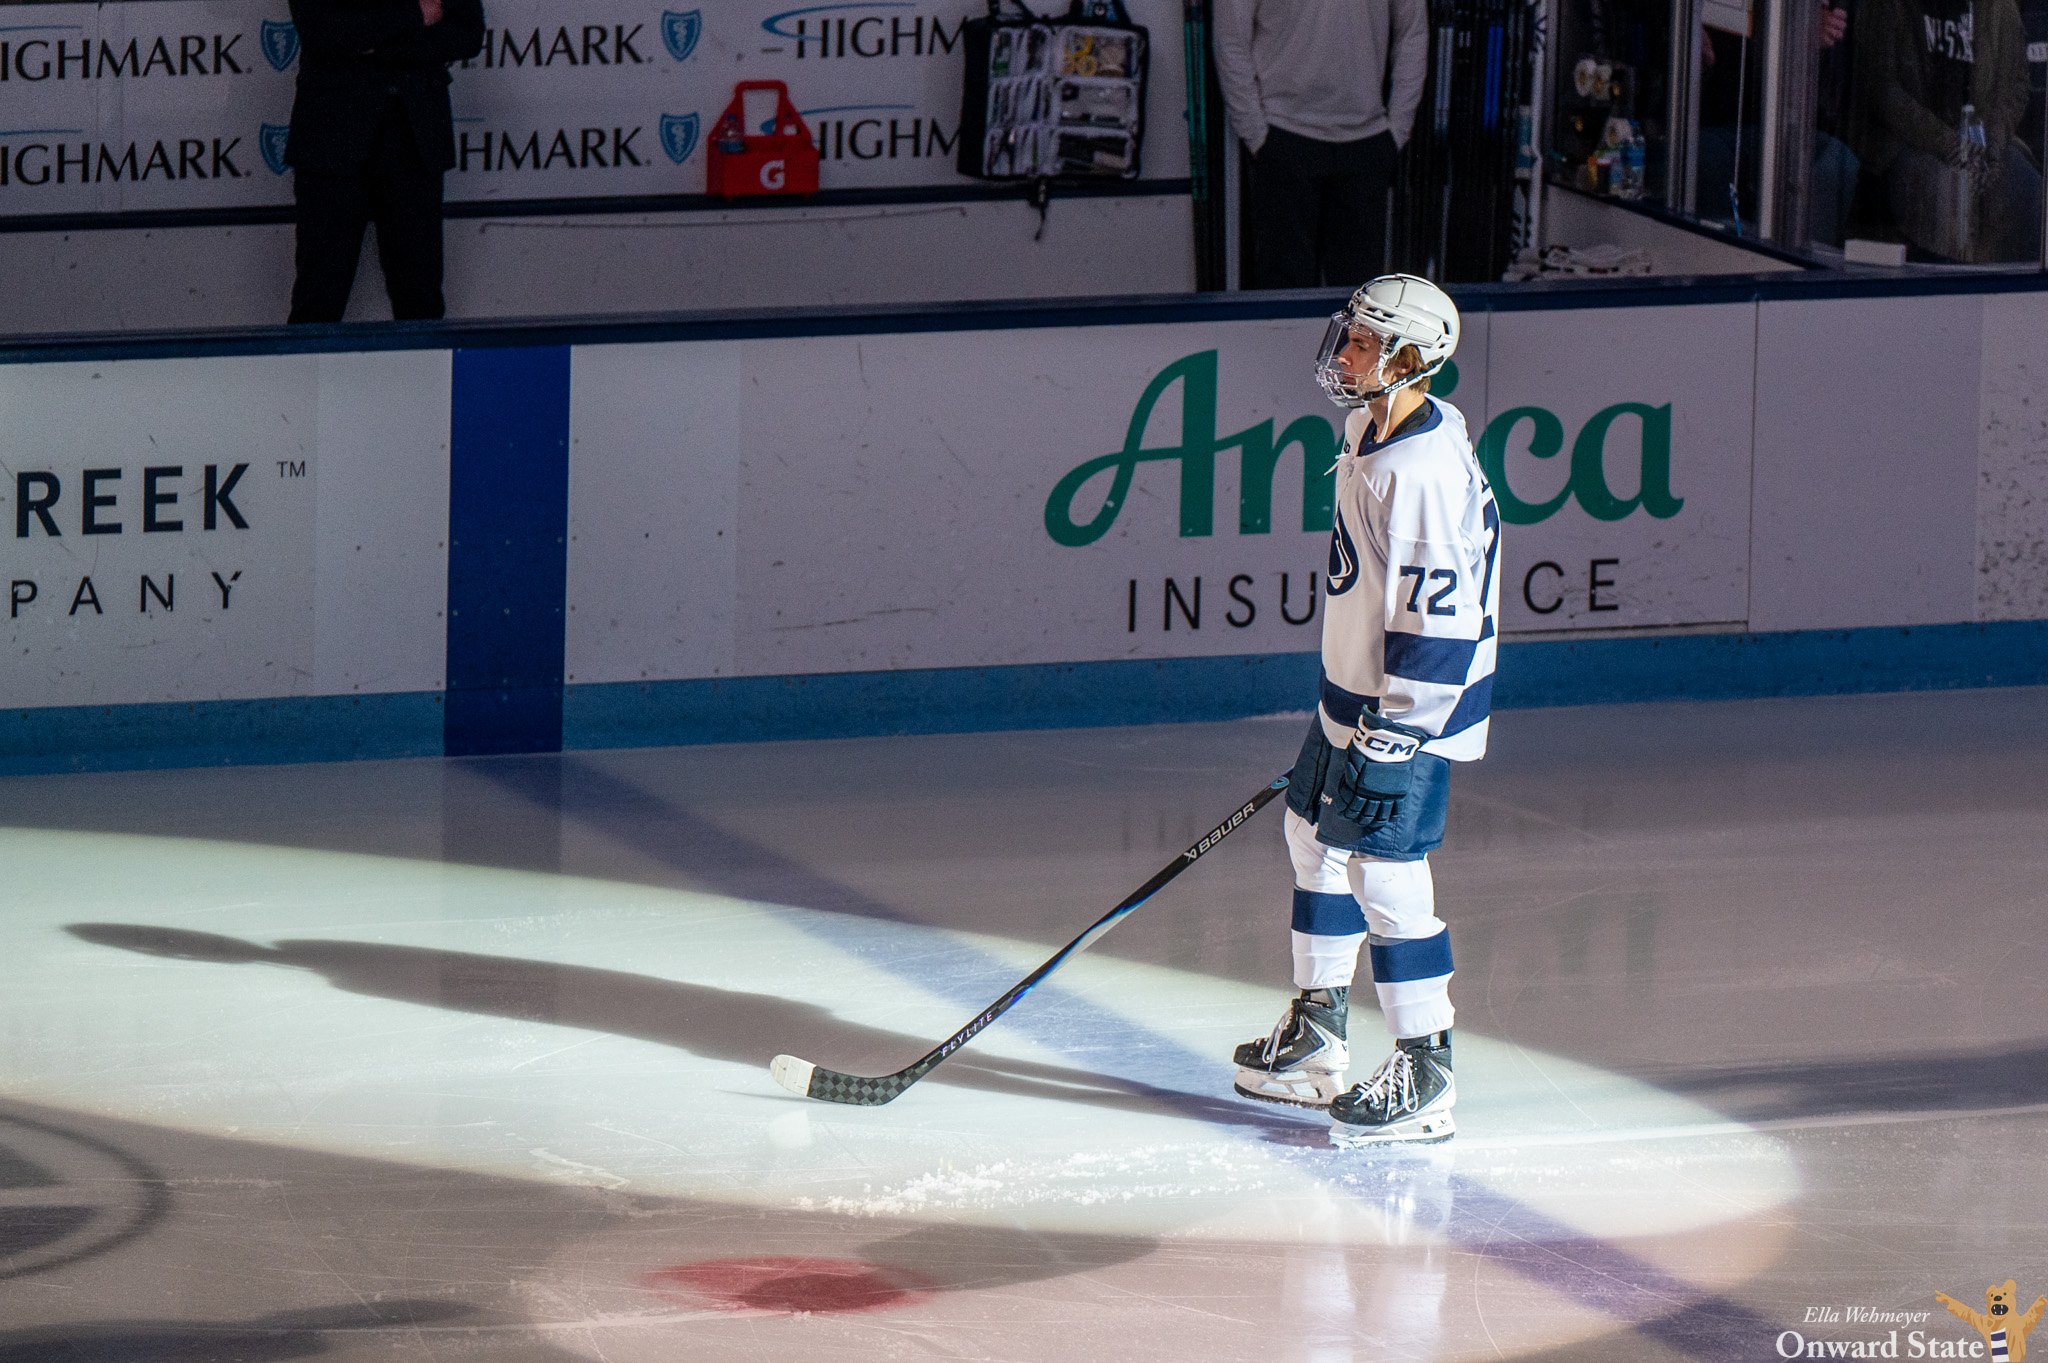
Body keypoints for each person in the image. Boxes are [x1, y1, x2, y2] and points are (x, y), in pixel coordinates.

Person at [1231, 274, 1499, 1147]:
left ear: (1412, 360)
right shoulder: (1371, 428)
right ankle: (1317, 1033)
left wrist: (1394, 732)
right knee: (1311, 838)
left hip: (1406, 708)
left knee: (1384, 873)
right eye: (1347, 336)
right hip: (1351, 691)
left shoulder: (1420, 472)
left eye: (1362, 344)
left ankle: (1426, 1067)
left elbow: (1440, 618)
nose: (1343, 354)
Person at [284, 0, 485, 323]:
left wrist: (381, 49)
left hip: (416, 139)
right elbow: (323, 30)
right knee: (318, 299)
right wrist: (416, 15)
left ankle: (424, 376)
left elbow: (467, 35)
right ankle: (306, 376)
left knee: (421, 302)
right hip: (332, 141)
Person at [1211, 0, 1429, 288]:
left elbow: (1412, 32)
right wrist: (1256, 133)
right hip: (1284, 138)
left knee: (1359, 308)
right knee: (1284, 303)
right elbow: (1230, 39)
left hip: (1365, 144)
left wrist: (1397, 128)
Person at [1852, 0, 2041, 262]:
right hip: (1907, 146)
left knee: (2027, 185)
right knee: (1947, 195)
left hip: (1982, 144)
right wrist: (1949, 145)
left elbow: (2015, 84)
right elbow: (1879, 86)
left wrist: (1993, 147)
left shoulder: (2000, 6)